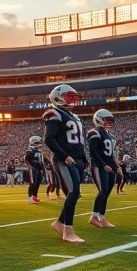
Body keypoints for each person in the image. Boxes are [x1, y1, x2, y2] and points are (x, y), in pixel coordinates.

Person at [43, 84, 87, 243]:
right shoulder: (54, 113)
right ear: (58, 97)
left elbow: (80, 141)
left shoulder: (75, 117)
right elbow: (49, 139)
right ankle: (68, 231)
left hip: (77, 159)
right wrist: (64, 155)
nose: (72, 100)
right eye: (69, 96)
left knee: (75, 194)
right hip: (64, 160)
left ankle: (59, 223)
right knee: (73, 193)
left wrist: (84, 158)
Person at [87, 109, 119, 228]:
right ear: (99, 119)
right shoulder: (94, 132)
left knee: (107, 192)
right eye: (106, 120)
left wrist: (116, 166)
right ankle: (94, 216)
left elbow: (111, 154)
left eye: (110, 120)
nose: (109, 122)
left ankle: (102, 217)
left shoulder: (109, 134)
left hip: (109, 165)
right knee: (103, 191)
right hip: (99, 165)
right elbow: (93, 151)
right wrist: (102, 164)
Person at [25, 135, 45, 203]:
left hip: (38, 169)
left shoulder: (39, 151)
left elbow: (41, 162)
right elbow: (26, 159)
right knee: (32, 183)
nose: (39, 143)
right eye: (38, 142)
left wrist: (43, 169)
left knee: (37, 184)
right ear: (33, 142)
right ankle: (30, 198)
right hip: (33, 168)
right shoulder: (30, 149)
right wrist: (30, 167)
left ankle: (35, 197)